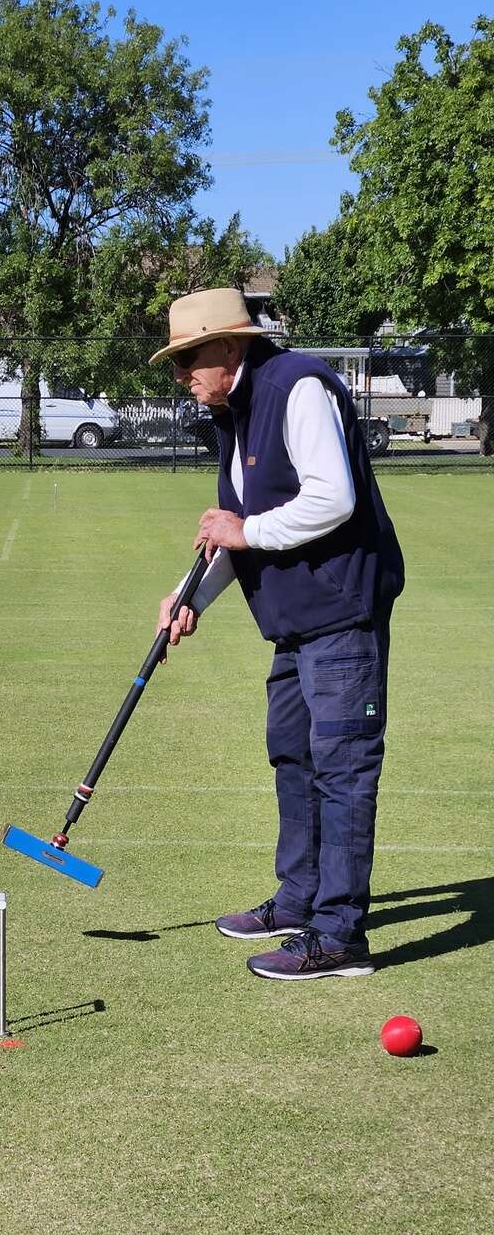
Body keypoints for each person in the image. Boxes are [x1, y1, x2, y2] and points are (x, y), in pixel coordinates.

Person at [152, 288, 404, 980]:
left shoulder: (297, 387)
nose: (182, 376)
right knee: (291, 755)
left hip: (342, 614)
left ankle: (340, 936)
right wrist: (189, 596)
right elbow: (237, 538)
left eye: (188, 359)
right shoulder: (234, 413)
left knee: (343, 771)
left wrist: (245, 530)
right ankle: (299, 899)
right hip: (293, 625)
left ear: (229, 347)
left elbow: (333, 496)